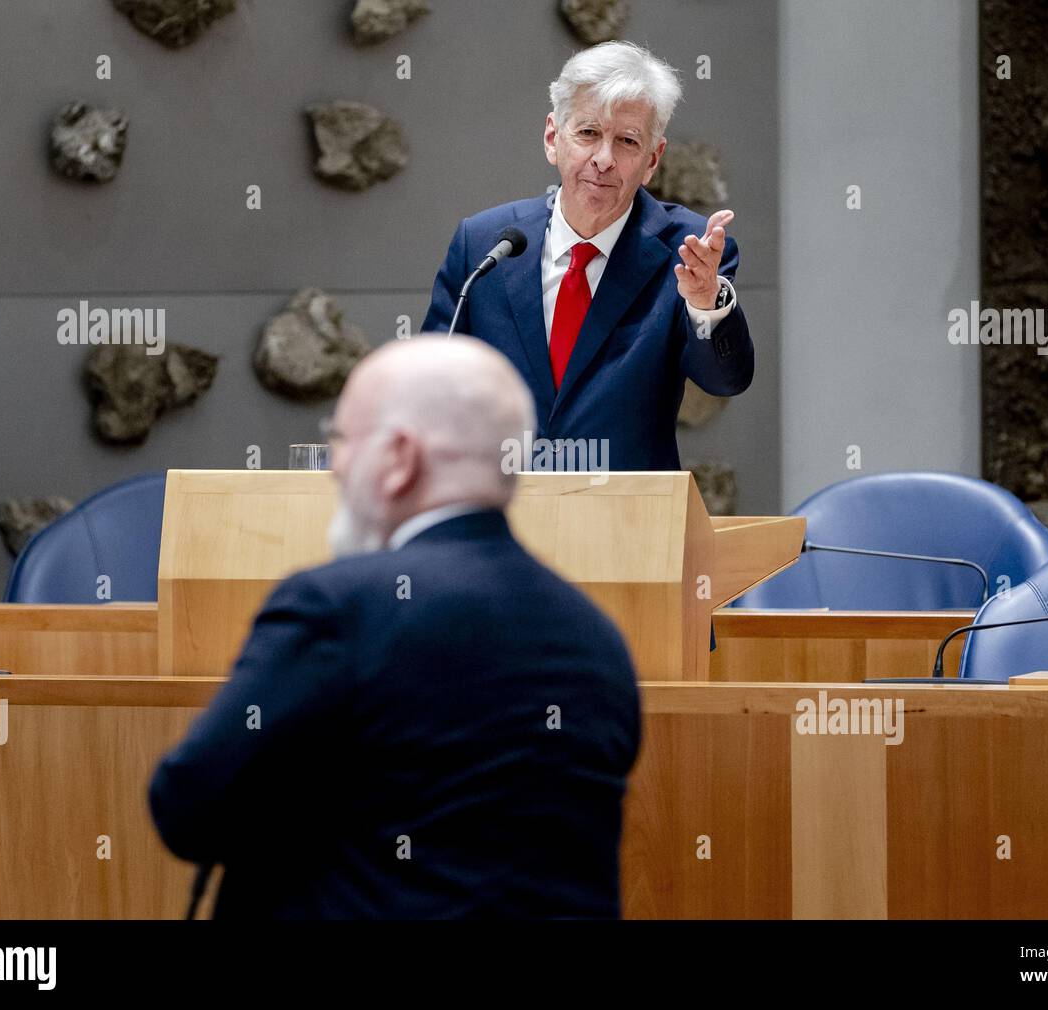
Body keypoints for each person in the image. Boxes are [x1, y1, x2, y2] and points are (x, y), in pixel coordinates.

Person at [149, 335, 641, 918]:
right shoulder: (598, 639)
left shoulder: (338, 607)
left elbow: (189, 809)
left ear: (401, 458)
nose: (334, 466)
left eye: (342, 440)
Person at [422, 40, 754, 471]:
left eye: (627, 142)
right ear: (552, 138)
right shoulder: (485, 242)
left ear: (653, 160)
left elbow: (725, 380)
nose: (603, 159)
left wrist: (706, 304)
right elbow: (428, 381)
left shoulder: (690, 249)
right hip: (500, 515)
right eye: (588, 133)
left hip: (627, 521)